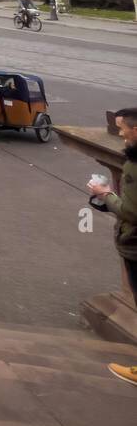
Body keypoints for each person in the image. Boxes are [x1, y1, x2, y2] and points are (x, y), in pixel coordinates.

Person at [89, 107, 137, 387]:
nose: (120, 134)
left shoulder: (133, 165)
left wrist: (105, 195)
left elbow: (131, 211)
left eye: (123, 129)